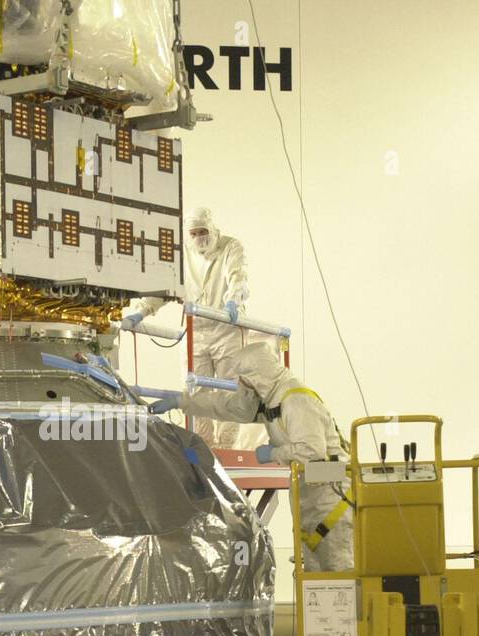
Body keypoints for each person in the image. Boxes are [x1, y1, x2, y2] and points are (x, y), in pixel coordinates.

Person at [152, 344, 354, 572]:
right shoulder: (274, 399)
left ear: (257, 377)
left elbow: (312, 451)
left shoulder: (296, 400)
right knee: (316, 570)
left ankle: (351, 609)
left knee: (337, 566)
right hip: (312, 490)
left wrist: (274, 453)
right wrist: (183, 401)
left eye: (244, 381)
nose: (241, 386)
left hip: (330, 493)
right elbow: (230, 407)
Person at [122, 206, 264, 448]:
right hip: (196, 331)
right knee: (196, 389)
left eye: (203, 232)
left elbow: (237, 276)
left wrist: (232, 301)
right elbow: (166, 287)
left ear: (213, 229)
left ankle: (227, 446)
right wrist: (141, 312)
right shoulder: (183, 255)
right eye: (194, 233)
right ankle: (204, 445)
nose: (200, 238)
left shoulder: (230, 247)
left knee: (231, 389)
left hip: (226, 329)